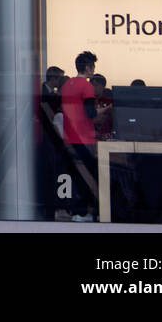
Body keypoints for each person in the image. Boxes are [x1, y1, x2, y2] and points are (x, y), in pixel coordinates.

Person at [60, 50, 99, 221]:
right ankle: (85, 211)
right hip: (84, 137)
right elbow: (90, 113)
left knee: (74, 175)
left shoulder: (66, 85)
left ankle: (75, 210)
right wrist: (102, 111)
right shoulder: (87, 86)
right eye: (93, 66)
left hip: (69, 136)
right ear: (88, 67)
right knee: (89, 175)